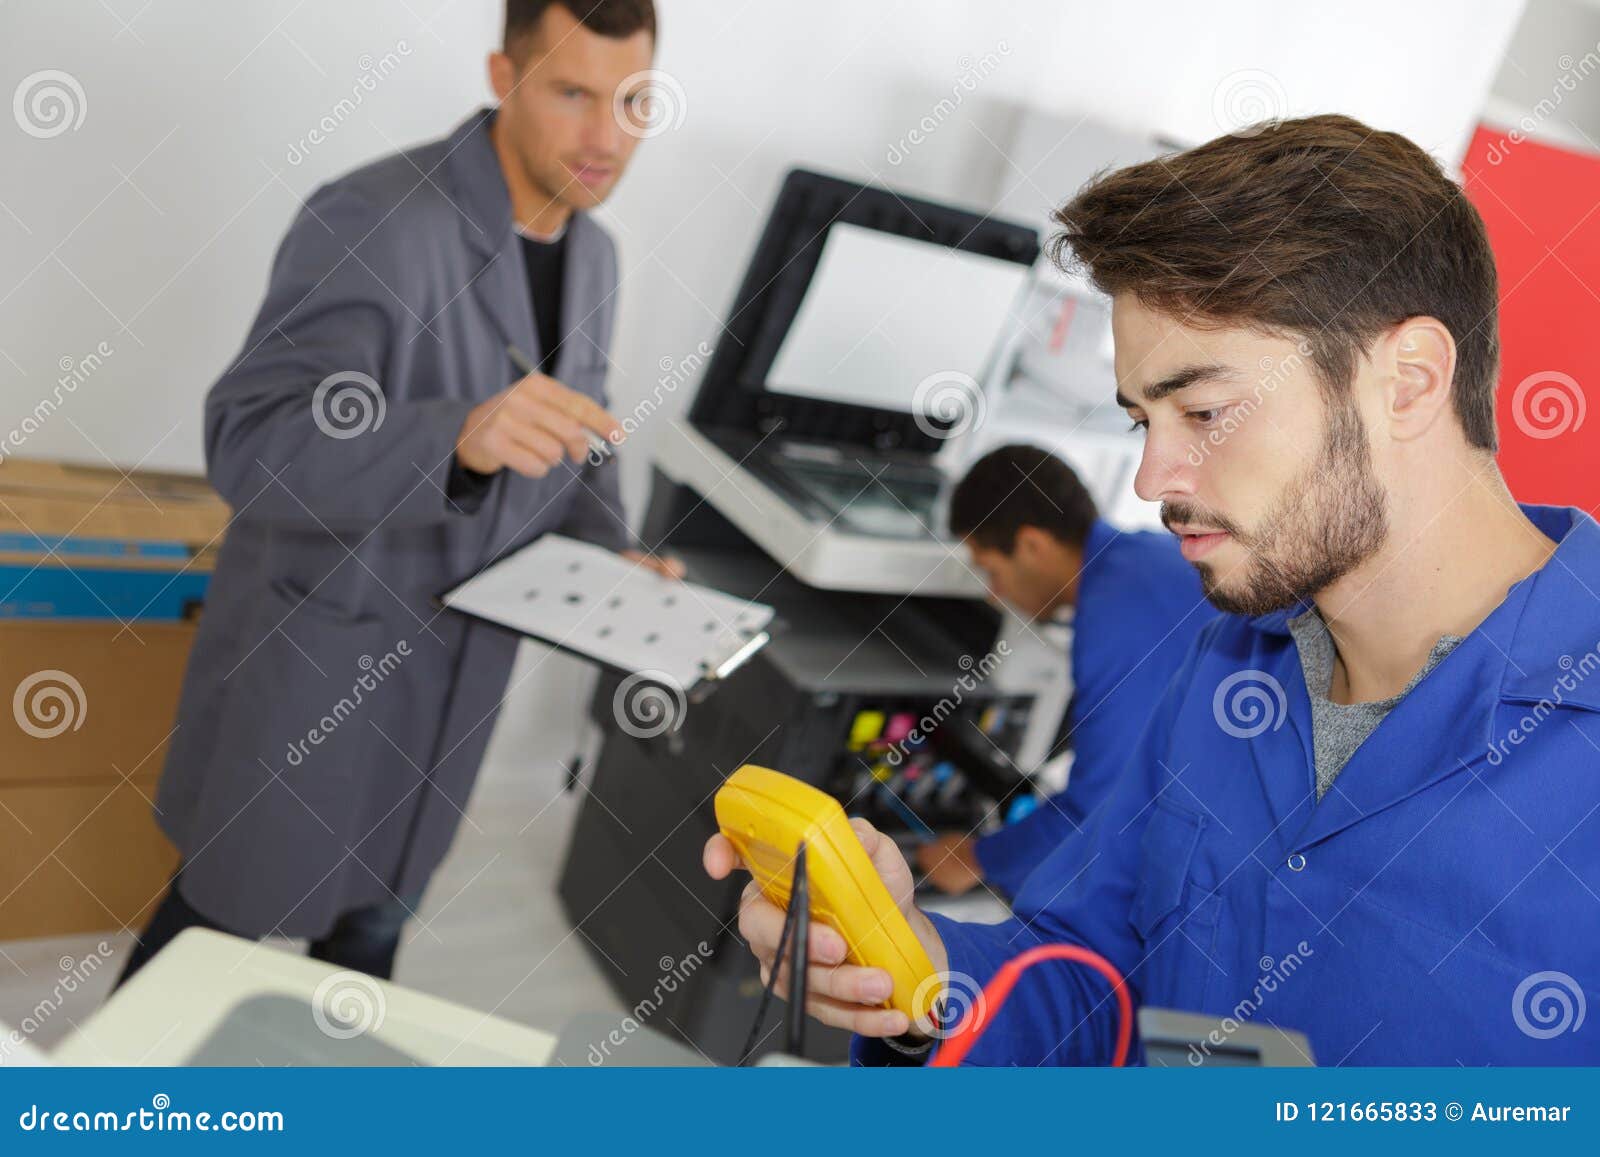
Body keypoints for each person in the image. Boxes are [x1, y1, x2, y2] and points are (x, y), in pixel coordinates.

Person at [706, 114, 1600, 1065]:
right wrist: (918, 972)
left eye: (1206, 411)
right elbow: (1093, 976)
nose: (1151, 478)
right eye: (1143, 420)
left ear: (1410, 381)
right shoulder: (1225, 669)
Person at [120, 0, 678, 987]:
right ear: (502, 79)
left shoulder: (596, 254)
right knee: (214, 928)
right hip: (321, 665)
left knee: (373, 935)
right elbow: (251, 438)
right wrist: (453, 437)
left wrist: (614, 552)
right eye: (571, 94)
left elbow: (579, 430)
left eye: (631, 100)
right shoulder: (377, 217)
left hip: (454, 685)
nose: (606, 138)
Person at [916, 444, 1209, 899]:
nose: (995, 595)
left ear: (1032, 545)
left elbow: (1106, 807)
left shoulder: (1117, 609)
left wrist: (977, 860)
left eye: (991, 571)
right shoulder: (1144, 561)